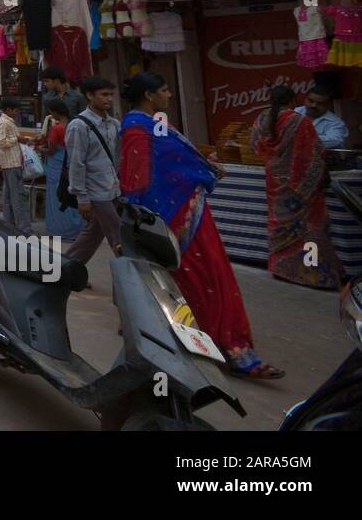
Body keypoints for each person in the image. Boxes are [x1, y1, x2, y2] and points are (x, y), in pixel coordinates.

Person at [119, 72, 285, 379]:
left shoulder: (153, 122)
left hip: (190, 212)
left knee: (213, 278)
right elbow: (137, 179)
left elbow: (175, 158)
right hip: (173, 219)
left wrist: (203, 165)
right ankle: (220, 348)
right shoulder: (135, 129)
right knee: (198, 280)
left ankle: (226, 346)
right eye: (165, 89)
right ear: (148, 95)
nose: (170, 95)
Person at [251, 85, 344, 289]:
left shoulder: (261, 118)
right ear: (294, 100)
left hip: (274, 181)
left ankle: (281, 268)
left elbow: (255, 145)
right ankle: (311, 275)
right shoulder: (298, 121)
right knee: (310, 228)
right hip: (299, 185)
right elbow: (314, 150)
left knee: (278, 225)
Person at [64, 77, 122, 265]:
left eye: (111, 95)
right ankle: (134, 278)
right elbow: (76, 163)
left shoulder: (113, 124)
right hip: (96, 191)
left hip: (112, 188)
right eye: (104, 95)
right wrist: (82, 197)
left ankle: (66, 268)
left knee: (93, 234)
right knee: (118, 236)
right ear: (89, 96)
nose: (109, 99)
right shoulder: (79, 126)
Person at [37, 98, 83, 242]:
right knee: (71, 196)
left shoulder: (57, 128)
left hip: (57, 166)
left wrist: (40, 149)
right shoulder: (73, 125)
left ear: (55, 112)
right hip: (71, 164)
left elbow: (51, 150)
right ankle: (76, 229)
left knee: (56, 197)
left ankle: (59, 230)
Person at [0, 96, 32, 233]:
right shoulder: (5, 123)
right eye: (16, 110)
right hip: (12, 163)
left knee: (9, 196)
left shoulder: (7, 121)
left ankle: (9, 225)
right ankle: (24, 229)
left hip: (9, 163)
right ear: (9, 109)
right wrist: (17, 139)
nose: (17, 113)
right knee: (18, 197)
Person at [295, 84, 349, 150]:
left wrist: (304, 137)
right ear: (305, 99)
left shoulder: (336, 123)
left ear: (328, 105)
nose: (313, 105)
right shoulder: (295, 112)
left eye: (320, 103)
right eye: (311, 101)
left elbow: (335, 141)